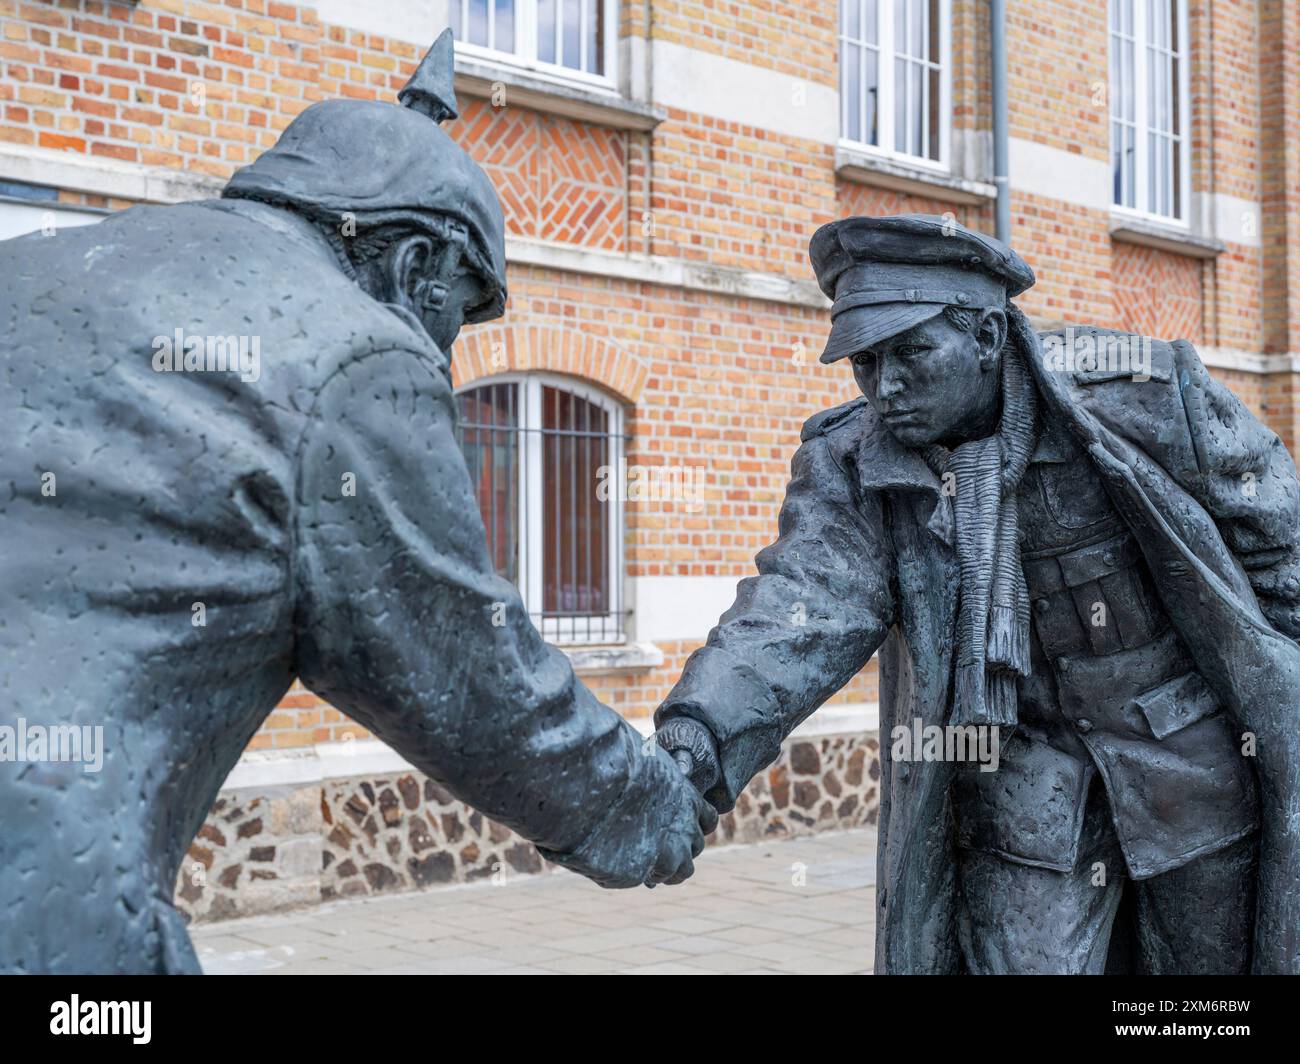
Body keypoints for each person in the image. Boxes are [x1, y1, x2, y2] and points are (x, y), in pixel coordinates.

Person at [0, 31, 711, 975]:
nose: (446, 349)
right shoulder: (356, 358)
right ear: (418, 259)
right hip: (49, 908)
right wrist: (648, 808)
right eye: (459, 311)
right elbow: (475, 679)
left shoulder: (42, 264)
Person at [655, 214, 1300, 974]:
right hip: (1024, 786)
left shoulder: (1146, 399)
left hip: (1191, 772)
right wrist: (696, 737)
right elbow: (800, 605)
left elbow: (1281, 548)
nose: (884, 388)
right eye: (865, 363)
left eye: (910, 354)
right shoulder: (857, 461)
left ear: (988, 338)